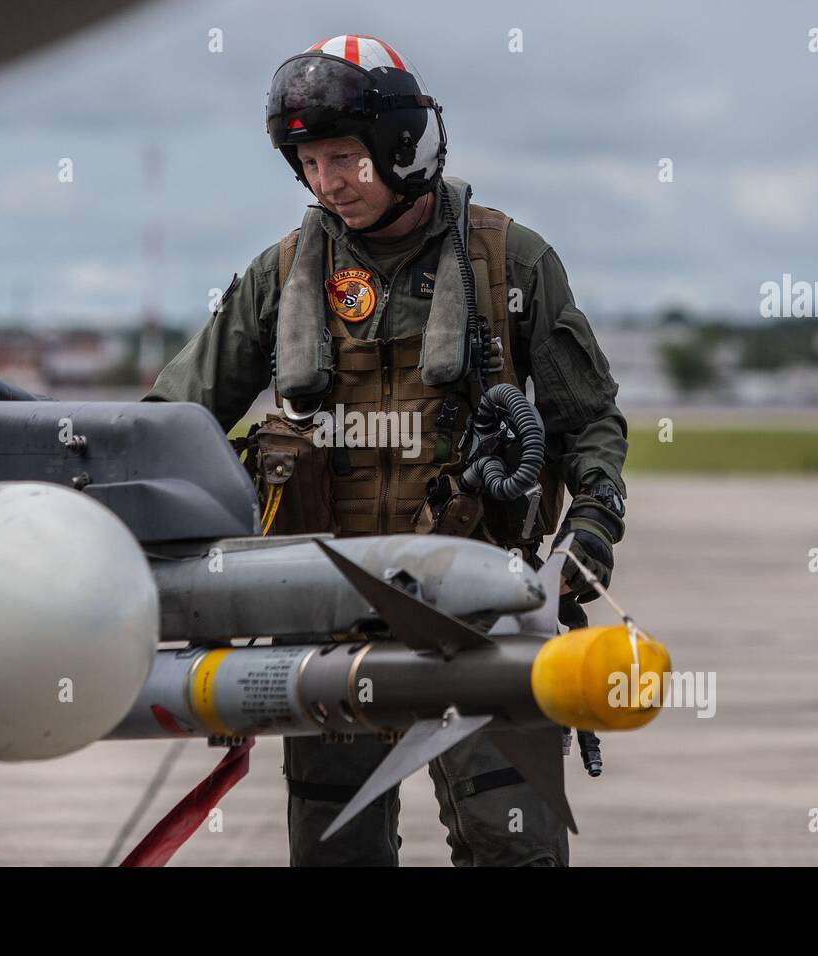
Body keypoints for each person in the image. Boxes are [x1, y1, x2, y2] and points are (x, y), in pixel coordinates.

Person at [146, 34, 627, 867]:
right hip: (328, 615)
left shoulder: (511, 263)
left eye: (343, 157)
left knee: (513, 845)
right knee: (336, 851)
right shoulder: (284, 275)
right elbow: (170, 430)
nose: (326, 182)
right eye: (308, 161)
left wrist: (588, 534)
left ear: (402, 146)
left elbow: (589, 424)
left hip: (483, 617)